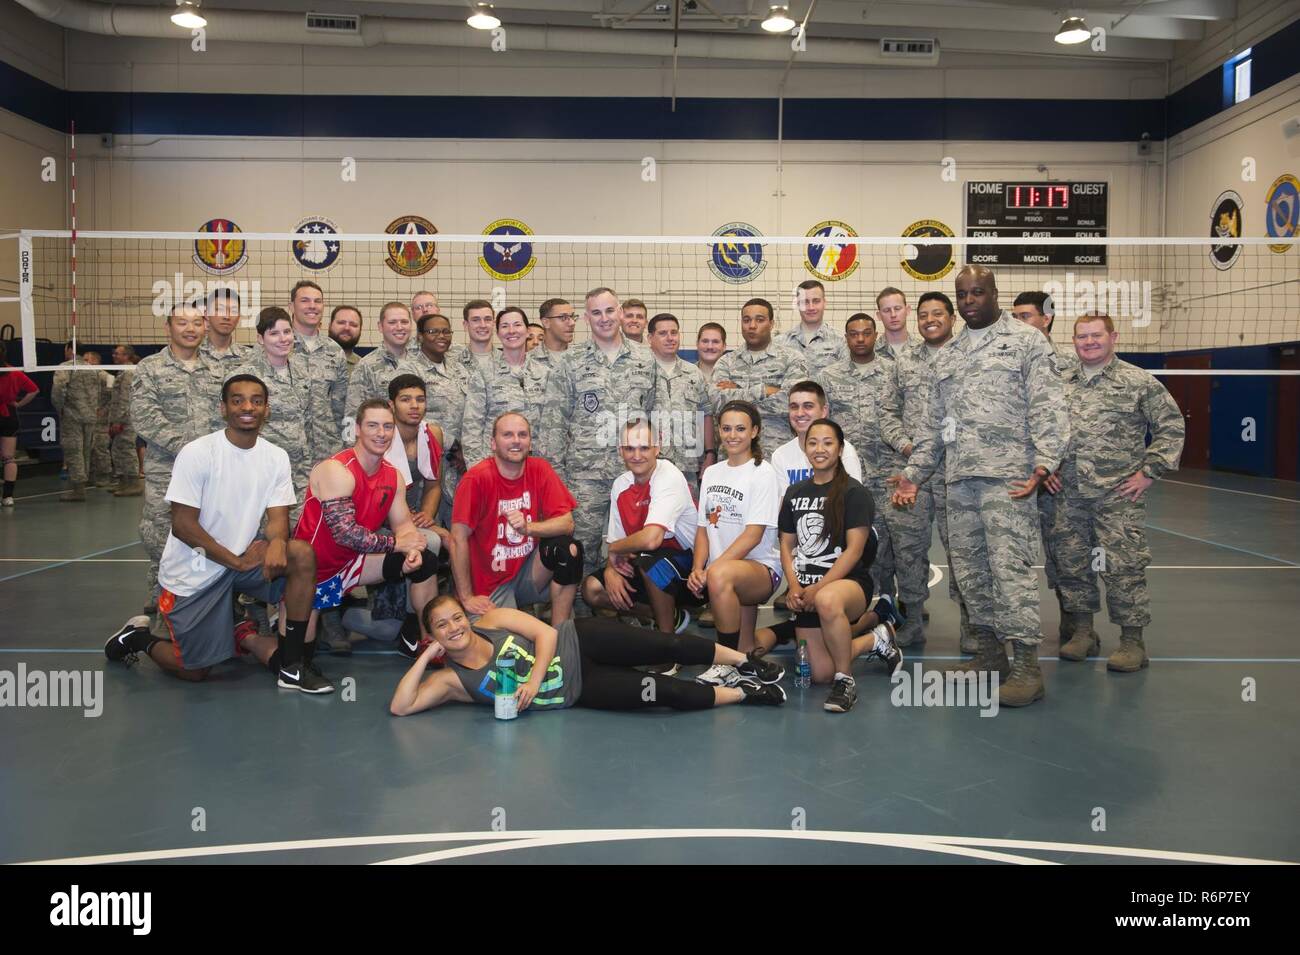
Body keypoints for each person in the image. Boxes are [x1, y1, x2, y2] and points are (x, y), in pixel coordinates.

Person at [890, 265, 1069, 707]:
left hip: (1009, 480)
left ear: (994, 293)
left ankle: (1026, 667)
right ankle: (990, 655)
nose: (970, 301)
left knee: (1010, 572)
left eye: (978, 292)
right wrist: (914, 474)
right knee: (971, 572)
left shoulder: (1025, 341)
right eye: (963, 294)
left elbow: (1049, 407)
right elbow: (932, 426)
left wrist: (1044, 464)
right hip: (959, 481)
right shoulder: (948, 354)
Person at [104, 375, 326, 692]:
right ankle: (138, 638)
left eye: (256, 401)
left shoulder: (275, 456)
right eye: (238, 400)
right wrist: (237, 563)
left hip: (244, 561)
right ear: (223, 408)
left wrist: (278, 541)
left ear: (266, 410)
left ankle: (292, 665)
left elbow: (278, 516)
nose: (247, 407)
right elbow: (183, 526)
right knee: (194, 671)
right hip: (196, 570)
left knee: (301, 554)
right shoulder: (198, 452)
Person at [1046, 314, 1184, 671]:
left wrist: (1149, 472)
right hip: (1069, 493)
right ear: (1073, 341)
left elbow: (1171, 426)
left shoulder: (1138, 381)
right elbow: (1042, 430)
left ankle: (1132, 641)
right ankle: (1083, 632)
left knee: (1124, 567)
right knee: (1072, 564)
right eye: (1082, 337)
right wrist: (1046, 467)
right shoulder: (1059, 382)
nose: (1089, 342)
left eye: (1096, 335)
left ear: (1113, 337)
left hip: (1118, 495)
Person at [389, 596, 786, 717]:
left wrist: (533, 681)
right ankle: (745, 693)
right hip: (583, 688)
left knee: (668, 645)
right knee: (667, 693)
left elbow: (546, 633)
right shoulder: (454, 680)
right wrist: (425, 658)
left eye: (457, 617)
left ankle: (743, 661)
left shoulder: (492, 620)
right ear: (433, 635)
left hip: (581, 641)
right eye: (442, 626)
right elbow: (400, 707)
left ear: (467, 616)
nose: (454, 628)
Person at [294, 399, 442, 655]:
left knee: (424, 561)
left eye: (387, 426)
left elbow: (403, 525)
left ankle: (421, 638)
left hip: (354, 563)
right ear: (357, 429)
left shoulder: (393, 475)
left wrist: (411, 548)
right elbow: (345, 534)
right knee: (294, 659)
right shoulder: (336, 469)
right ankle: (251, 636)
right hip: (314, 569)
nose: (381, 433)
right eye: (372, 426)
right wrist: (397, 543)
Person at [780, 419, 902, 712]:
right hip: (807, 589)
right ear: (804, 447)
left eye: (827, 443)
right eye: (812, 443)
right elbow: (786, 545)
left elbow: (854, 551)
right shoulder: (795, 492)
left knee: (827, 599)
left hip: (849, 586)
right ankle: (876, 639)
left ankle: (846, 682)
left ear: (840, 448)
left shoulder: (854, 493)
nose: (819, 449)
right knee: (819, 672)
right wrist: (794, 586)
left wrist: (819, 587)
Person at [545, 287, 659, 581]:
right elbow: (554, 422)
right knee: (583, 547)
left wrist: (655, 467)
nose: (604, 318)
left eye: (609, 311)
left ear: (620, 313)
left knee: (633, 547)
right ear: (586, 318)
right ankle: (583, 605)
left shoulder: (645, 358)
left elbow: (656, 414)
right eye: (596, 313)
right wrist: (557, 477)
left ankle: (628, 603)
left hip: (634, 474)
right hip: (585, 477)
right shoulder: (570, 361)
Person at [881, 292, 968, 648]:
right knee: (908, 550)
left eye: (938, 314)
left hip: (956, 473)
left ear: (952, 318)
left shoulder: (968, 358)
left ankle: (972, 625)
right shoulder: (904, 361)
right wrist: (907, 447)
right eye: (923, 315)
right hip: (909, 472)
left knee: (963, 550)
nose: (930, 320)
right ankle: (912, 620)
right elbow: (886, 412)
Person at [132, 302, 226, 614]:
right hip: (167, 472)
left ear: (205, 327)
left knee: (208, 535)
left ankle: (202, 603)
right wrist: (192, 450)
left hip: (210, 473)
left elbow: (227, 416)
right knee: (161, 535)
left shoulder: (217, 370)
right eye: (182, 322)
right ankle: (162, 603)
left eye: (197, 323)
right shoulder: (150, 368)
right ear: (168, 327)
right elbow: (145, 418)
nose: (190, 329)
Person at [451, 412, 580, 626]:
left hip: (528, 573)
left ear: (530, 443)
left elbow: (567, 523)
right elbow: (457, 539)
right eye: (508, 435)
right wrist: (466, 597)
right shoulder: (476, 479)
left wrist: (528, 528)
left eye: (522, 435)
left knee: (569, 549)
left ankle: (560, 634)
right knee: (509, 644)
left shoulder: (540, 469)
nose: (516, 441)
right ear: (493, 443)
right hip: (490, 586)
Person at [581, 419, 703, 641]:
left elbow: (650, 540)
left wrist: (614, 550)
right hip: (649, 564)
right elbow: (617, 542)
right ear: (621, 451)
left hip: (692, 569)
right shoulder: (620, 485)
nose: (637, 455)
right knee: (592, 589)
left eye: (644, 447)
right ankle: (665, 616)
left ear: (657, 448)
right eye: (629, 448)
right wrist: (610, 570)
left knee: (649, 560)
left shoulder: (669, 475)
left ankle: (667, 643)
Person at [690, 401, 783, 684]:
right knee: (746, 651)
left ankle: (724, 664)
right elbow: (703, 528)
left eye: (740, 429)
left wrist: (712, 570)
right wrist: (697, 568)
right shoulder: (712, 472)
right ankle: (783, 634)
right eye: (726, 428)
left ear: (754, 431)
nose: (733, 435)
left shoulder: (763, 472)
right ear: (718, 431)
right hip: (725, 573)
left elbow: (753, 535)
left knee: (720, 576)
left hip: (759, 569)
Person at [1013, 288, 1076, 643]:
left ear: (1046, 318)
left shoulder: (1068, 364)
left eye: (1025, 316)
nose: (1018, 323)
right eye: (1014, 317)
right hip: (1016, 476)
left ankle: (1075, 623)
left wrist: (1052, 464)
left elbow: (1068, 419)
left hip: (1056, 479)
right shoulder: (1007, 360)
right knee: (1015, 556)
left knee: (1065, 553)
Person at [230, 307, 313, 509]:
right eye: (274, 333)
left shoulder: (302, 372)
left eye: (287, 332)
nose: (283, 339)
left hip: (299, 471)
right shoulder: (244, 378)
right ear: (260, 339)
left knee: (299, 524)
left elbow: (308, 420)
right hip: (259, 469)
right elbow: (231, 426)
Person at [460, 307, 554, 469]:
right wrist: (478, 470)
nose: (511, 331)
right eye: (504, 326)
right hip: (494, 466)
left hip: (535, 466)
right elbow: (472, 427)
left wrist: (550, 468)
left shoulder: (545, 374)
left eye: (517, 325)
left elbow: (554, 426)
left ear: (527, 331)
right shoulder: (483, 373)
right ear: (497, 333)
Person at [711, 298, 808, 449]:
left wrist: (738, 392)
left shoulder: (792, 359)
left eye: (760, 320)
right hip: (734, 453)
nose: (752, 326)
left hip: (777, 452)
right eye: (746, 320)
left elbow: (792, 405)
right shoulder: (726, 362)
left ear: (771, 324)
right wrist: (764, 390)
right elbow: (717, 403)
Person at [646, 312, 713, 497]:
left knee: (689, 513)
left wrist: (710, 453)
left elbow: (706, 414)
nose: (670, 338)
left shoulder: (694, 373)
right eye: (663, 333)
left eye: (674, 332)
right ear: (650, 338)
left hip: (688, 466)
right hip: (651, 466)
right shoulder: (640, 373)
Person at [410, 311, 467, 523]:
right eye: (433, 331)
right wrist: (452, 446)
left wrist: (466, 450)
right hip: (427, 463)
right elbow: (411, 417)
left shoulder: (459, 369)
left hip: (458, 466)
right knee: (425, 525)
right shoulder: (409, 369)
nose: (441, 336)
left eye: (446, 331)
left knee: (457, 526)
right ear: (420, 336)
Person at [290, 279, 349, 466]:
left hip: (327, 450)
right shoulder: (278, 344)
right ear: (291, 306)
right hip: (287, 451)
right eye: (305, 301)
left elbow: (343, 407)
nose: (312, 306)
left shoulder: (335, 351)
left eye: (318, 301)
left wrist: (348, 446)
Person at [345, 301, 417, 418]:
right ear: (380, 326)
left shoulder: (423, 362)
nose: (399, 327)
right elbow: (353, 414)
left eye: (404, 322)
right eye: (392, 322)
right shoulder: (366, 366)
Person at [51, 349, 106, 502]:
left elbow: (58, 389)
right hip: (90, 415)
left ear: (70, 350)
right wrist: (96, 407)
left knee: (73, 450)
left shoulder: (66, 367)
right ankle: (82, 483)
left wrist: (60, 408)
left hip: (72, 415)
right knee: (86, 451)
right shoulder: (92, 369)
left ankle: (78, 488)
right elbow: (102, 388)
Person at [0, 357, 38, 506]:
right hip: (9, 416)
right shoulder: (14, 372)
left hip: (5, 413)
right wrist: (19, 404)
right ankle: (8, 497)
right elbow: (34, 390)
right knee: (9, 458)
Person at [784, 279, 848, 367]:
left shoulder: (841, 341)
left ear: (824, 303)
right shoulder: (781, 342)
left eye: (816, 301)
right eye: (805, 302)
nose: (811, 307)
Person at [107, 345, 143, 497]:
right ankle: (123, 481)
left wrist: (119, 420)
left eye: (117, 353)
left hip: (127, 419)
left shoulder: (129, 372)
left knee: (127, 449)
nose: (114, 356)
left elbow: (125, 398)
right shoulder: (122, 371)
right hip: (122, 417)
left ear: (126, 356)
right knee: (118, 449)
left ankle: (134, 483)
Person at [200, 286, 250, 371]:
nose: (227, 316)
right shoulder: (191, 353)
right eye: (220, 310)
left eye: (233, 311)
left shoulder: (250, 357)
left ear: (238, 317)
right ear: (207, 315)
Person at [452, 299, 498, 374]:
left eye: (487, 319)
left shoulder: (509, 361)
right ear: (466, 325)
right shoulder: (452, 363)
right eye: (476, 320)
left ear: (493, 323)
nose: (483, 325)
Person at [531, 297, 576, 370]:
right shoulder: (528, 361)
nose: (572, 323)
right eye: (563, 317)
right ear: (546, 322)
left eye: (572, 317)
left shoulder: (583, 358)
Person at [873, 286, 912, 360]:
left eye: (897, 308)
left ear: (907, 310)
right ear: (879, 315)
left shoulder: (923, 348)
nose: (893, 315)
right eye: (887, 310)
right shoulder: (870, 352)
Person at [328, 305, 363, 377]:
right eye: (341, 323)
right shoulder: (311, 360)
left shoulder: (365, 368)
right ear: (329, 326)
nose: (347, 328)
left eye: (353, 325)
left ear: (360, 330)